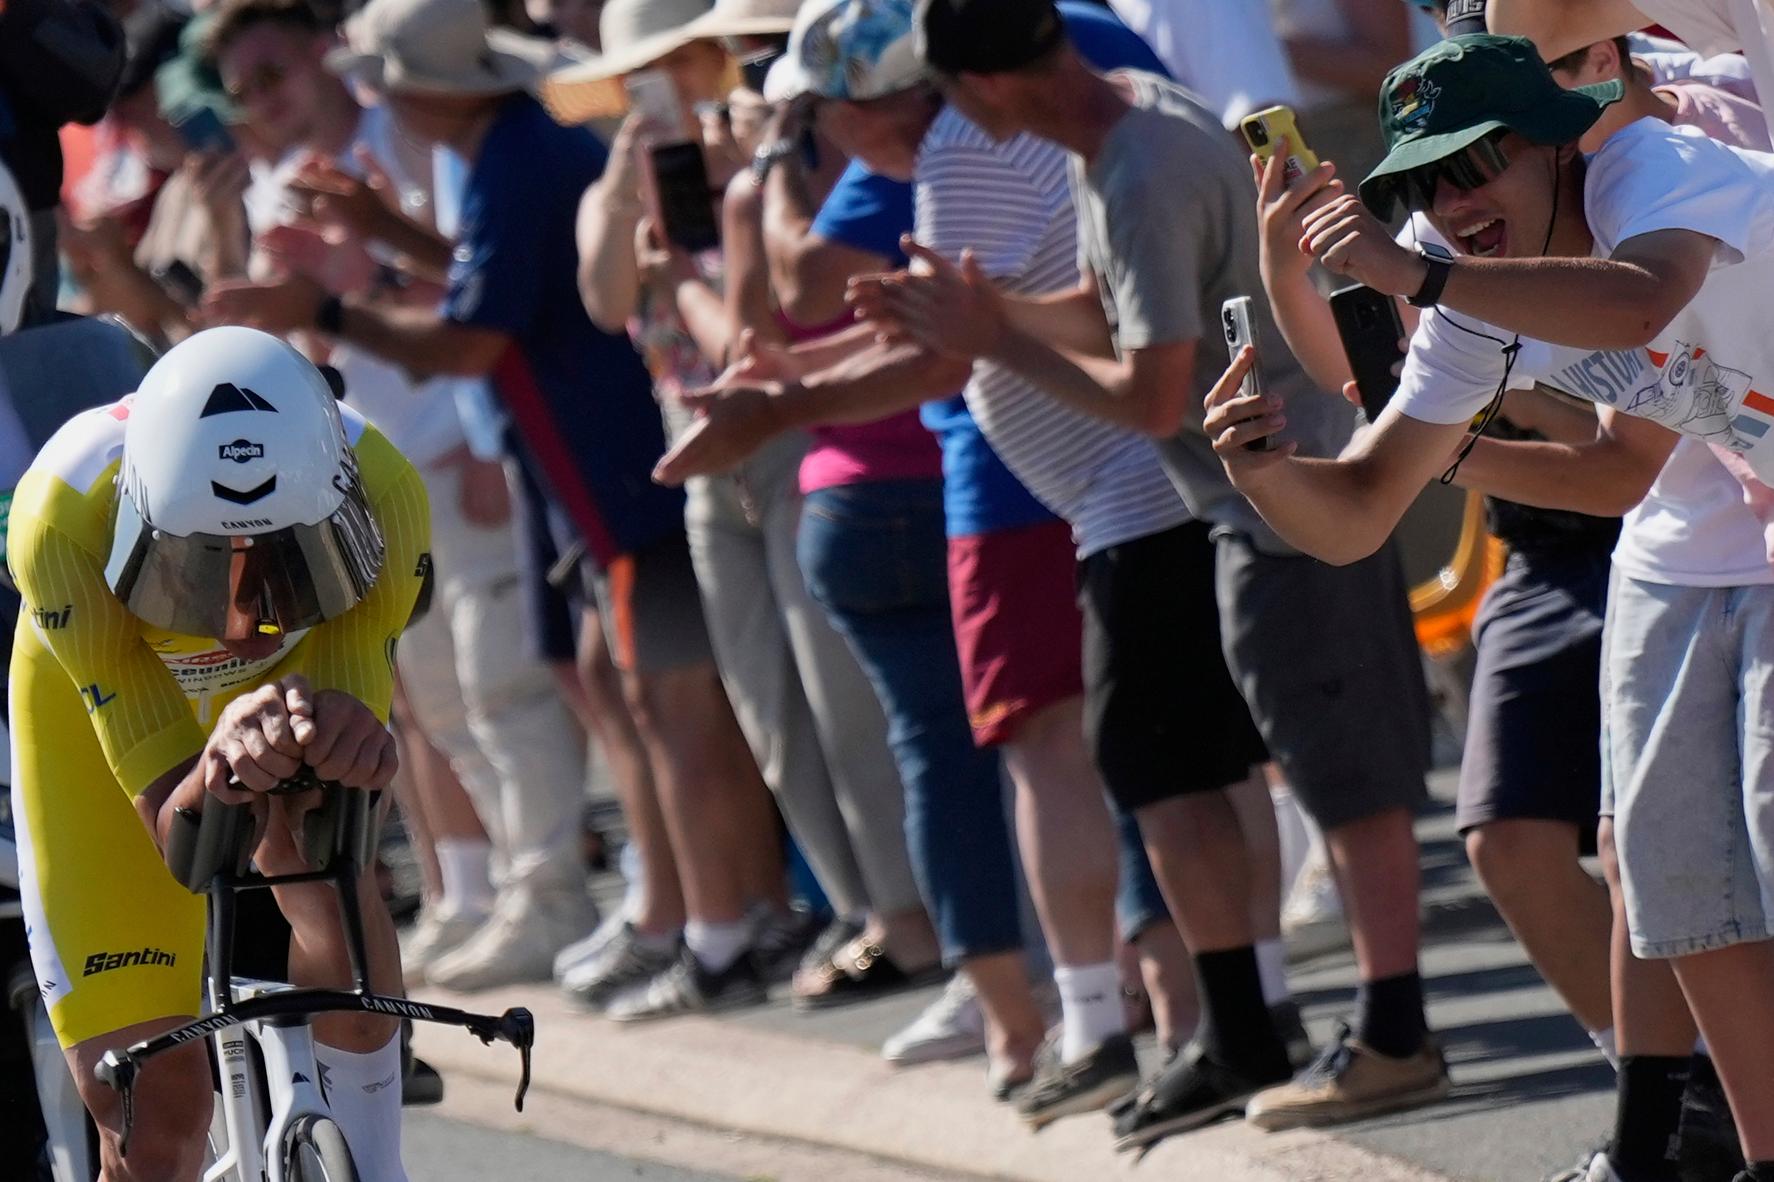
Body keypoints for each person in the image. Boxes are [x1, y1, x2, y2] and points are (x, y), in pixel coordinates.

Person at [660, 0, 1313, 1128]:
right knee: (1190, 766)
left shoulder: (968, 145)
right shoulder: (1078, 103)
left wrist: (784, 402)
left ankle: (1219, 1032)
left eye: (822, 113)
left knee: (1149, 770)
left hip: (1135, 491)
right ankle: (1244, 1012)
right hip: (1158, 487)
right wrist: (817, 380)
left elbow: (954, 345)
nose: (823, 140)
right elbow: (1041, 312)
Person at [867, 0, 1447, 1142]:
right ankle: (1342, 1029)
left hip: (1293, 507)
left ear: (981, 93)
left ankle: (1390, 1035)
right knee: (1293, 774)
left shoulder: (1135, 159)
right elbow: (1125, 304)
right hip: (1273, 506)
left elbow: (1149, 395)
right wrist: (993, 311)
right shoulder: (1132, 122)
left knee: (1342, 781)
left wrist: (994, 339)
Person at [1202, 32, 1774, 1181]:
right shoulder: (1466, 282)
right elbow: (1361, 507)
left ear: (1560, 148)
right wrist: (1265, 474)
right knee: (1682, 888)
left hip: (1736, 538)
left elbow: (1640, 299)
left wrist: (1417, 275)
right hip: (1733, 526)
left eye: (1475, 164)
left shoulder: (1646, 169)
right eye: (1419, 180)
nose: (1449, 201)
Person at [208, 0, 804, 1017]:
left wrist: (320, 310)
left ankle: (726, 930)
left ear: (423, 90)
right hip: (592, 469)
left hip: (615, 467)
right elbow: (490, 287)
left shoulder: (515, 153)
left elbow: (469, 341)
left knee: (670, 698)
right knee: (641, 692)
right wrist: (382, 235)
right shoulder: (509, 148)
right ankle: (716, 917)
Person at [553, 0, 937, 1022]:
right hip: (702, 460)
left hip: (783, 442)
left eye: (684, 61)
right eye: (648, 70)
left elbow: (748, 339)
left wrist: (687, 260)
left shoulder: (774, 161)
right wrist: (632, 180)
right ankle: (862, 911)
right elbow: (599, 298)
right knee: (771, 713)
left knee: (837, 700)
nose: (671, 83)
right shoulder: (637, 170)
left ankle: (906, 912)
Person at [10, 326, 426, 1181]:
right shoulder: (60, 522)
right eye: (198, 570)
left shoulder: (389, 497)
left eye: (290, 566)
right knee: (149, 1108)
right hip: (94, 711)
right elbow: (180, 838)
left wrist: (349, 755)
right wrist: (214, 767)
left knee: (324, 855)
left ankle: (375, 1163)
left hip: (301, 678)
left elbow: (349, 792)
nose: (249, 620)